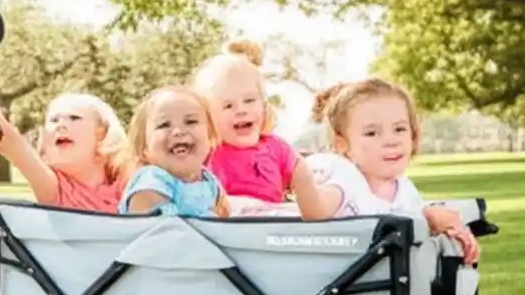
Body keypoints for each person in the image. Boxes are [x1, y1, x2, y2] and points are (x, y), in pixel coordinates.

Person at [307, 78, 478, 263]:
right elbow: (316, 212)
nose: (391, 140)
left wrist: (456, 233)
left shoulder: (403, 188)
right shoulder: (345, 183)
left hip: (395, 284)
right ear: (342, 144)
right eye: (372, 133)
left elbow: (416, 223)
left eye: (400, 129)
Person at [194, 39, 336, 219]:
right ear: (208, 117)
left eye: (250, 101)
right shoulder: (208, 150)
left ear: (263, 105)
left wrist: (314, 204)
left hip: (269, 228)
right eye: (228, 106)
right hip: (224, 230)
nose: (241, 110)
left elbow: (302, 174)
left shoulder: (275, 147)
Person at [0, 94, 130, 213]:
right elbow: (22, 154)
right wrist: (10, 139)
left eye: (74, 118)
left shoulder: (127, 183)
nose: (61, 125)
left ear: (102, 132)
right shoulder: (54, 188)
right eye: (54, 120)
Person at [120, 86, 228, 217]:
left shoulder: (210, 182)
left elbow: (225, 224)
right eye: (164, 125)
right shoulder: (150, 181)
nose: (178, 131)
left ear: (210, 136)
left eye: (191, 121)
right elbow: (157, 229)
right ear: (144, 148)